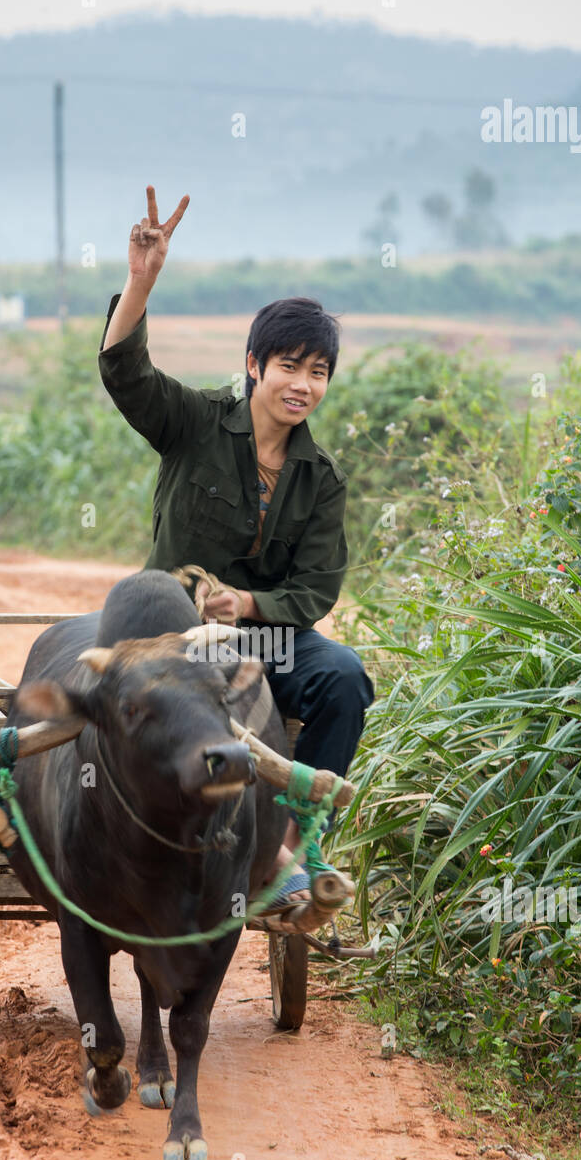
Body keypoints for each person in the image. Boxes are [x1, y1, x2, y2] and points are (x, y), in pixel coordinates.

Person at [98, 186, 375, 906]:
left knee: (344, 678)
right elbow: (126, 374)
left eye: (318, 373)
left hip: (268, 646)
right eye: (290, 366)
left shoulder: (323, 478)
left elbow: (315, 589)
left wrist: (248, 602)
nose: (303, 385)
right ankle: (146, 842)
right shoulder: (192, 422)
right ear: (255, 365)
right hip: (176, 642)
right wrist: (142, 279)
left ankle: (287, 853)